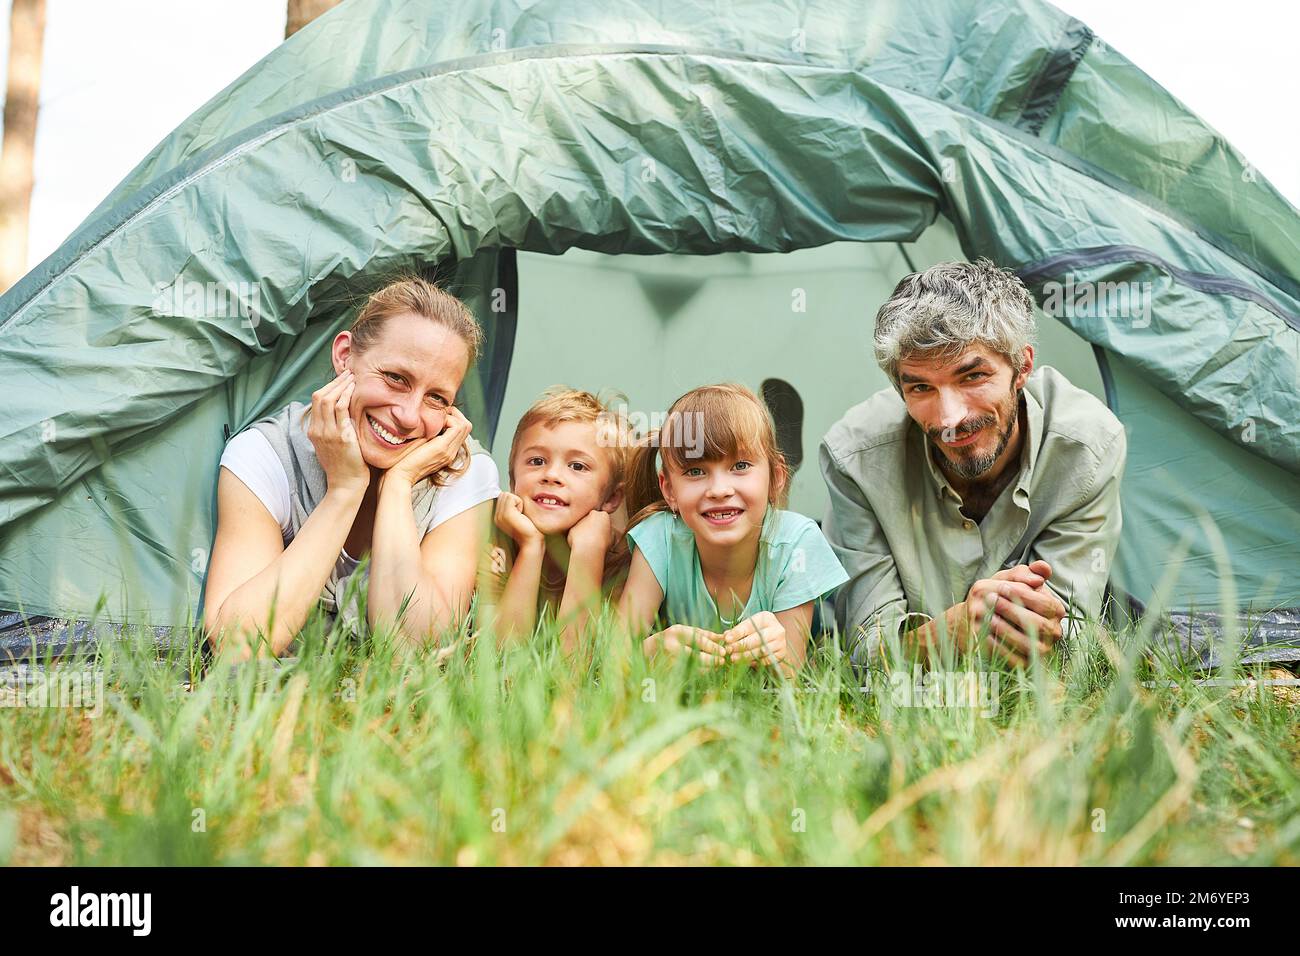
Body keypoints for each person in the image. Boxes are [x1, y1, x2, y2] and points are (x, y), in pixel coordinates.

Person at [820, 259, 1127, 669]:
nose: (949, 419)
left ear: (1022, 367)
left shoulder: (1087, 445)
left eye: (972, 377)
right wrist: (953, 631)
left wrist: (1014, 623)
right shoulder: (854, 458)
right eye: (922, 387)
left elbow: (1071, 636)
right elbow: (865, 649)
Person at [203, 277, 499, 659]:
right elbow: (238, 644)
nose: (409, 417)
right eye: (396, 378)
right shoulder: (265, 456)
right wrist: (344, 490)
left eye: (437, 398)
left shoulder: (466, 473)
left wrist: (399, 485)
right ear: (345, 355)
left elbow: (413, 646)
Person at [618, 384, 848, 676]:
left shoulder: (798, 542)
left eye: (740, 466)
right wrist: (650, 653)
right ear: (669, 490)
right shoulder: (658, 539)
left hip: (804, 602)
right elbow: (615, 658)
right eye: (695, 471)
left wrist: (777, 655)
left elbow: (791, 679)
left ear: (776, 477)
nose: (719, 490)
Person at [479, 388, 630, 653]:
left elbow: (571, 669)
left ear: (611, 498)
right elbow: (502, 657)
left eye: (577, 466)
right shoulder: (494, 534)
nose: (551, 475)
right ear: (513, 480)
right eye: (536, 461)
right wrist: (530, 547)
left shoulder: (623, 561)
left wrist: (588, 552)